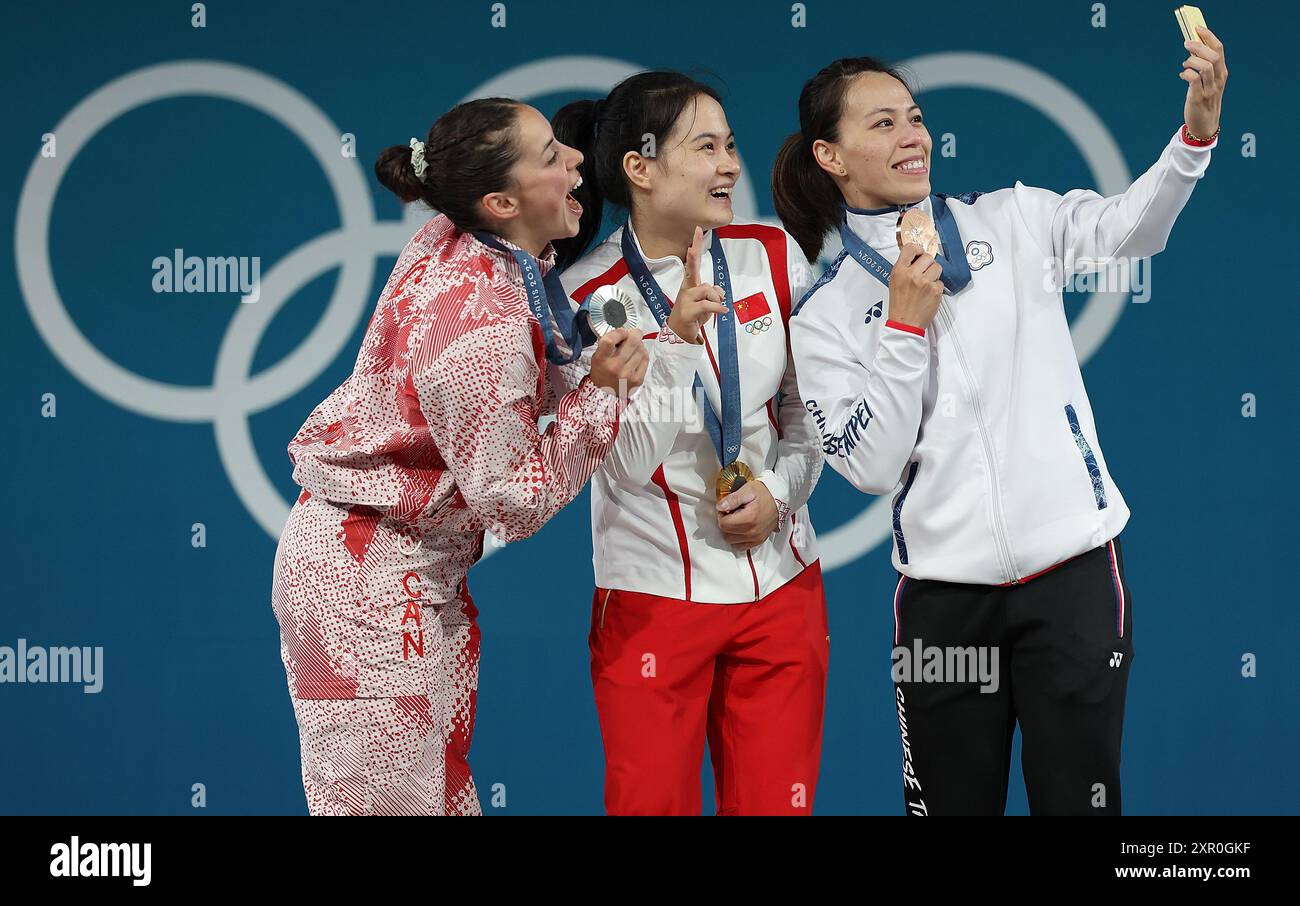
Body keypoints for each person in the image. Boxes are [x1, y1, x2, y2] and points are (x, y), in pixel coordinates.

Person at [776, 32, 1226, 816]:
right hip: (947, 604)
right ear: (830, 155)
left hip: (1074, 579)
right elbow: (873, 466)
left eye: (913, 117)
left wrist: (1195, 135)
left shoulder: (1014, 220)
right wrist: (904, 330)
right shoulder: (824, 315)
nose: (910, 135)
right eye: (880, 124)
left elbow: (1133, 227)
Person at [272, 98, 649, 815]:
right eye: (551, 156)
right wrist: (602, 395)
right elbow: (513, 500)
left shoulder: (461, 237)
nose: (577, 161)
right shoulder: (482, 327)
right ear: (500, 200)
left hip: (401, 574)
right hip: (364, 584)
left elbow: (546, 320)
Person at [553, 71, 827, 816]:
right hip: (653, 600)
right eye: (706, 147)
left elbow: (809, 415)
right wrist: (672, 341)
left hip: (782, 585)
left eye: (731, 145)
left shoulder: (771, 253)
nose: (731, 165)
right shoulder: (591, 294)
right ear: (641, 169)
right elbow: (626, 459)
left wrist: (779, 491)